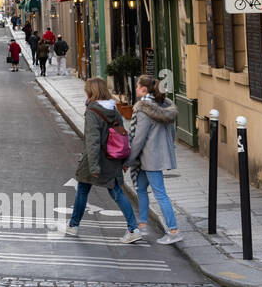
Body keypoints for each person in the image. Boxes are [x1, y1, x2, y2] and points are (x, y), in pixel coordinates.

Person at [66, 77, 141, 242]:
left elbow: (92, 141)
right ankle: (133, 228)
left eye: (86, 90)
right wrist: (123, 161)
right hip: (112, 159)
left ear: (91, 92)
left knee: (83, 192)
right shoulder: (114, 110)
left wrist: (93, 167)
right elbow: (121, 136)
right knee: (117, 193)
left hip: (95, 159)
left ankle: (73, 226)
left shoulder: (93, 112)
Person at [128, 75, 182, 244]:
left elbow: (138, 138)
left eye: (137, 86)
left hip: (150, 157)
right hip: (156, 155)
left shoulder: (144, 109)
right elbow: (172, 132)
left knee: (160, 194)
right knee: (141, 189)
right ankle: (142, 225)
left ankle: (173, 231)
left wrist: (129, 159)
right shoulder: (163, 105)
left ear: (144, 89)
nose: (136, 88)